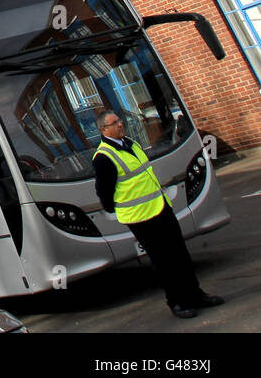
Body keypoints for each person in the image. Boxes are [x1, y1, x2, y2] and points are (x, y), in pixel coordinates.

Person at [92, 110, 223, 318]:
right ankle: (177, 302)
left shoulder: (131, 144)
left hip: (160, 207)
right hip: (140, 217)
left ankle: (196, 294)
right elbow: (104, 192)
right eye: (114, 123)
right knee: (163, 261)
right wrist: (118, 207)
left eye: (119, 120)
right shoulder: (103, 157)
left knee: (180, 254)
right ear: (103, 130)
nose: (120, 124)